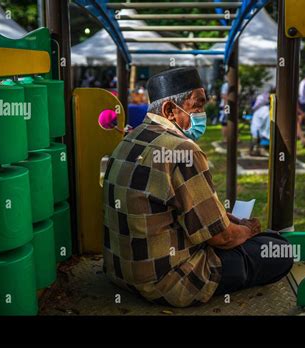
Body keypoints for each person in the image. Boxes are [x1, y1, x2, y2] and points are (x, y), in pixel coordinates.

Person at [102, 67, 293, 307]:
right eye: (197, 106)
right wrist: (249, 230)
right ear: (170, 110)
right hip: (167, 282)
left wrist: (226, 219)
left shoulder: (129, 140)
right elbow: (222, 238)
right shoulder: (181, 150)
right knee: (278, 249)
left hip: (121, 272)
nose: (202, 114)